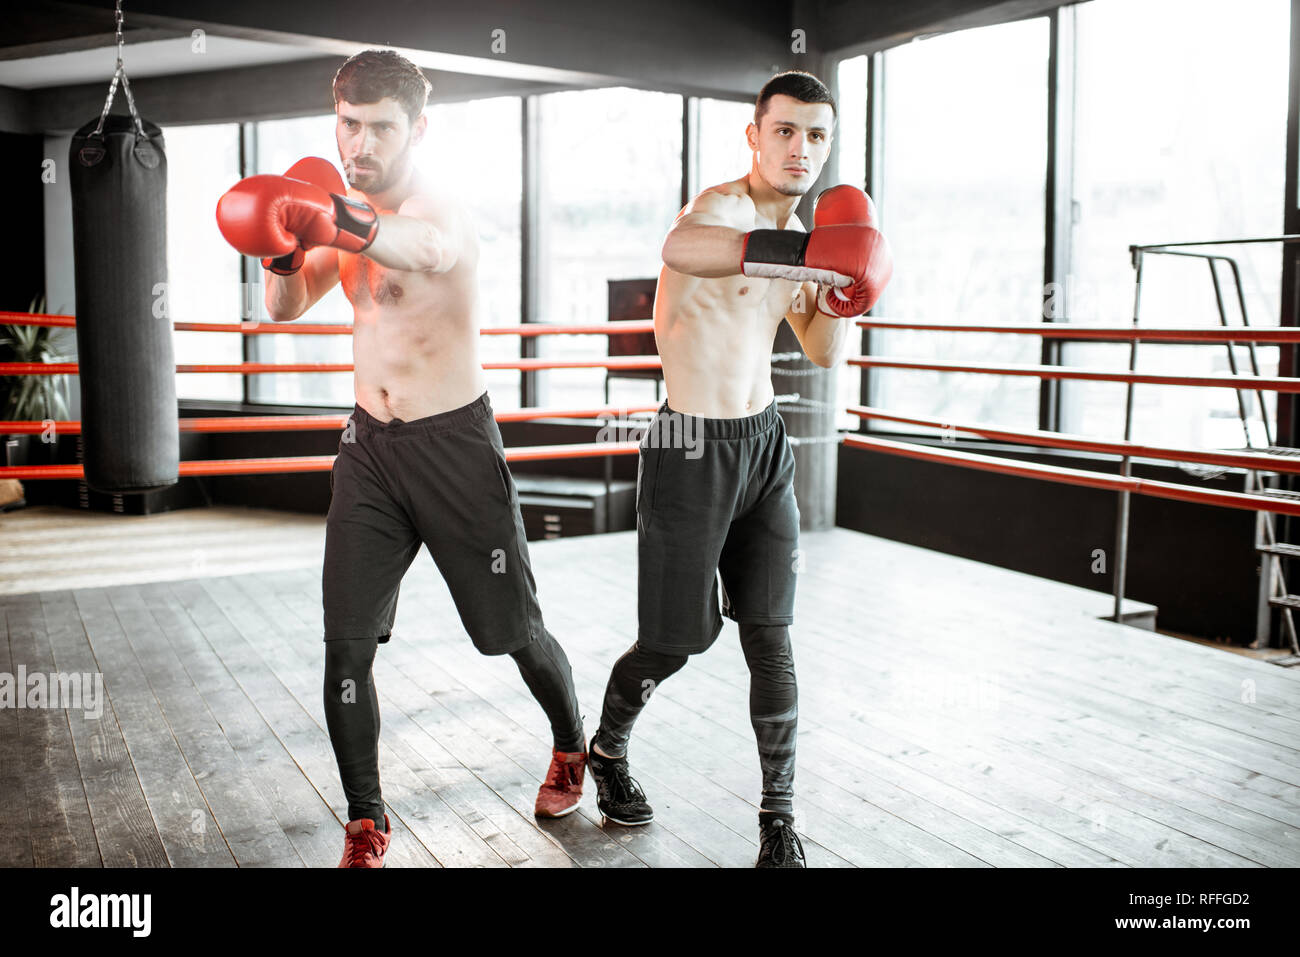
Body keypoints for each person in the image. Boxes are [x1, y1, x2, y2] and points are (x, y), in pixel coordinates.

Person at [215, 49, 587, 869]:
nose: (361, 143)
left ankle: (570, 739)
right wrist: (281, 244)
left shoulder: (436, 204)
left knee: (513, 634)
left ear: (418, 127)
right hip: (370, 449)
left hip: (453, 443)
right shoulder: (332, 202)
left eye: (380, 127)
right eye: (349, 124)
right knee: (345, 645)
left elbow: (421, 249)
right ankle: (364, 818)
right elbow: (283, 306)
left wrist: (332, 220)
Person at [585, 70, 892, 868]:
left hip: (763, 445)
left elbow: (821, 353)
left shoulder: (800, 236)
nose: (800, 148)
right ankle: (608, 748)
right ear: (755, 135)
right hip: (690, 448)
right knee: (676, 640)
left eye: (816, 135)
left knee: (771, 634)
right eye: (784, 131)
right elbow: (679, 246)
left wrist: (849, 289)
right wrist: (805, 253)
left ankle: (777, 820)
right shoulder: (721, 211)